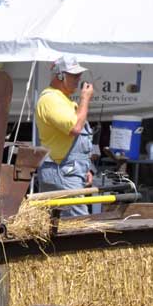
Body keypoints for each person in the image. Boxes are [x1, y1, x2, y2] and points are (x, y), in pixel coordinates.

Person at [34, 56, 95, 216]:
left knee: (61, 223)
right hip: (61, 170)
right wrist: (84, 99)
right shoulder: (51, 99)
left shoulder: (63, 100)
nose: (78, 79)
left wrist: (84, 168)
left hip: (68, 170)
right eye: (73, 75)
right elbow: (75, 128)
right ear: (60, 75)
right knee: (78, 223)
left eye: (78, 75)